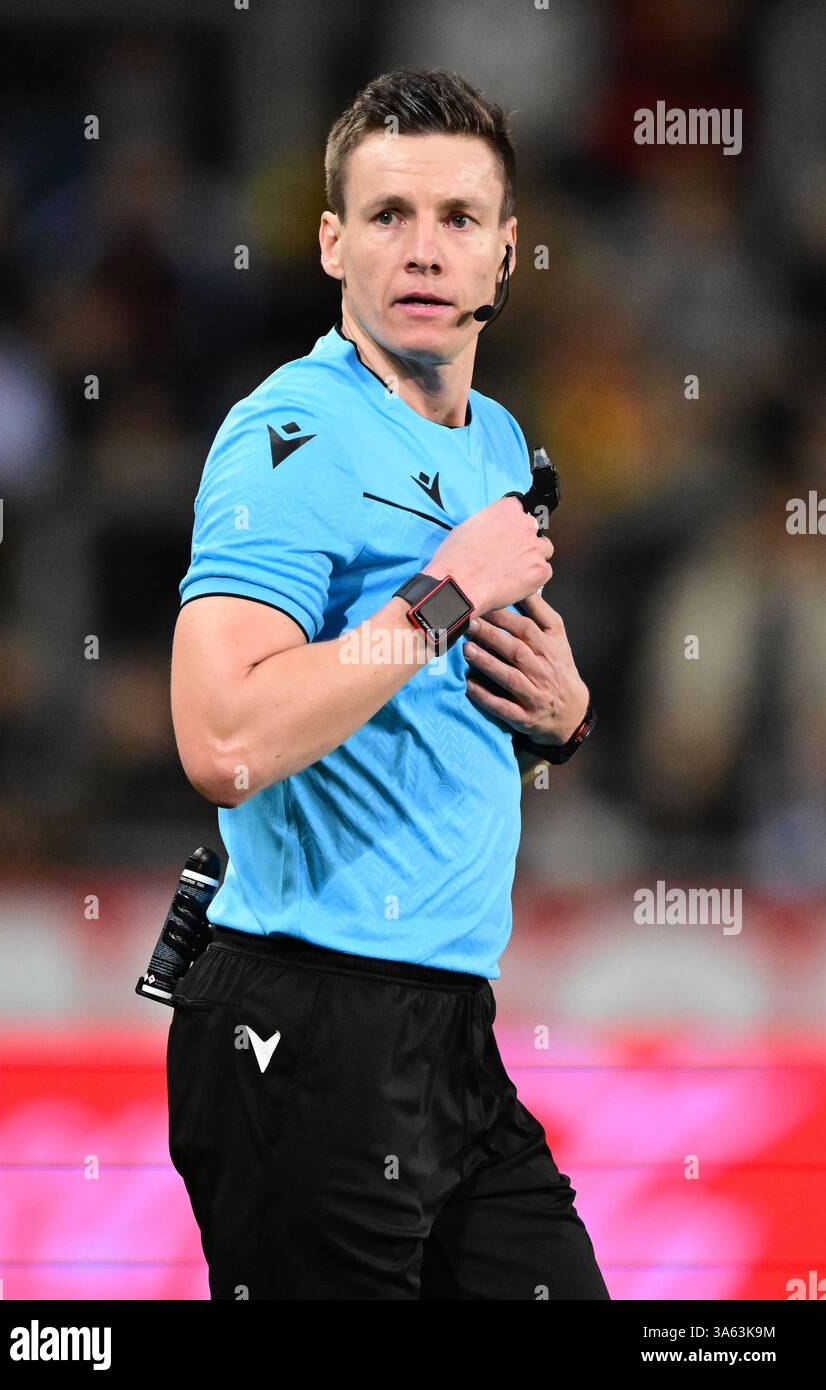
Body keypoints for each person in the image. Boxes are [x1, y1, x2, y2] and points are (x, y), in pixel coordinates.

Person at [167, 67, 608, 1301]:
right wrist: (439, 600)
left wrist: (559, 724)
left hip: (449, 1028)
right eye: (387, 215)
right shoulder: (287, 436)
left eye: (458, 220)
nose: (423, 250)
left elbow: (425, 718)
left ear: (506, 254)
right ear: (330, 243)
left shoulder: (500, 442)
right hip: (299, 1025)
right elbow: (221, 736)